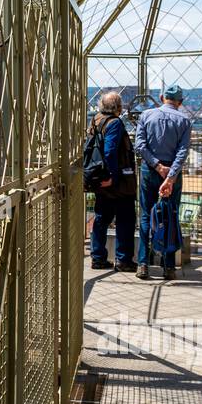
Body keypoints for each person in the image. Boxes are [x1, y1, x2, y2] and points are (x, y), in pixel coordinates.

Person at [133, 84, 192, 280]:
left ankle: (143, 263)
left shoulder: (146, 115)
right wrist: (170, 176)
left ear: (161, 97)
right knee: (170, 215)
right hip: (172, 173)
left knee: (145, 215)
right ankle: (168, 266)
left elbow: (140, 145)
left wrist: (157, 166)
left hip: (150, 170)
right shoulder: (184, 120)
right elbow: (182, 152)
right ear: (180, 102)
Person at [88, 91, 137, 272]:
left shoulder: (96, 120)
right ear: (118, 107)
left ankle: (98, 257)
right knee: (125, 219)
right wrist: (113, 177)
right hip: (117, 181)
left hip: (100, 177)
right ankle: (123, 259)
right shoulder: (115, 123)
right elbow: (109, 152)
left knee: (101, 217)